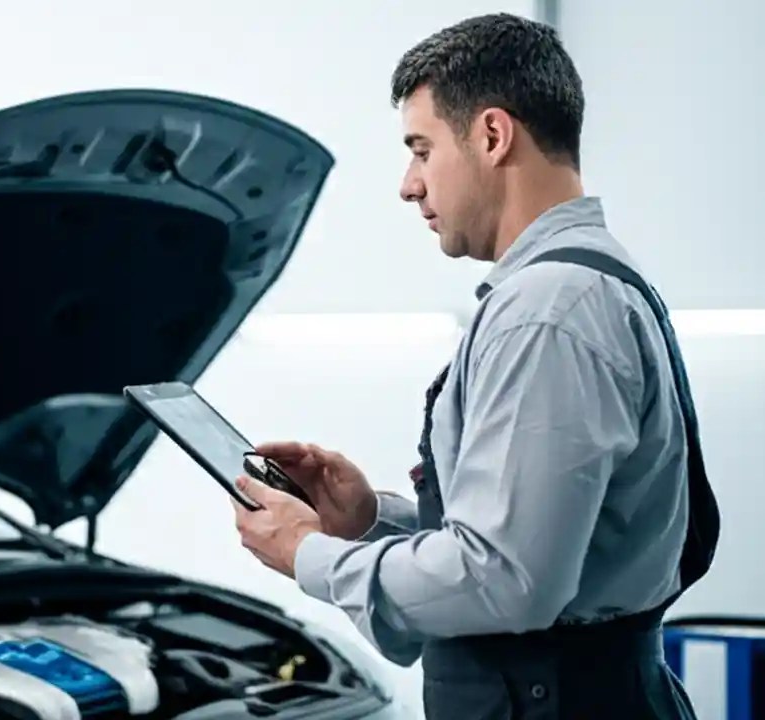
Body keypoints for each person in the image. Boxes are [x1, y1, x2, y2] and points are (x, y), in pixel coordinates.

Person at [230, 12, 719, 720]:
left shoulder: (549, 311)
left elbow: (508, 579)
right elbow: (529, 544)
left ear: (492, 135)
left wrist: (307, 553)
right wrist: (368, 521)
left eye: (421, 149)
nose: (409, 184)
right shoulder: (578, 287)